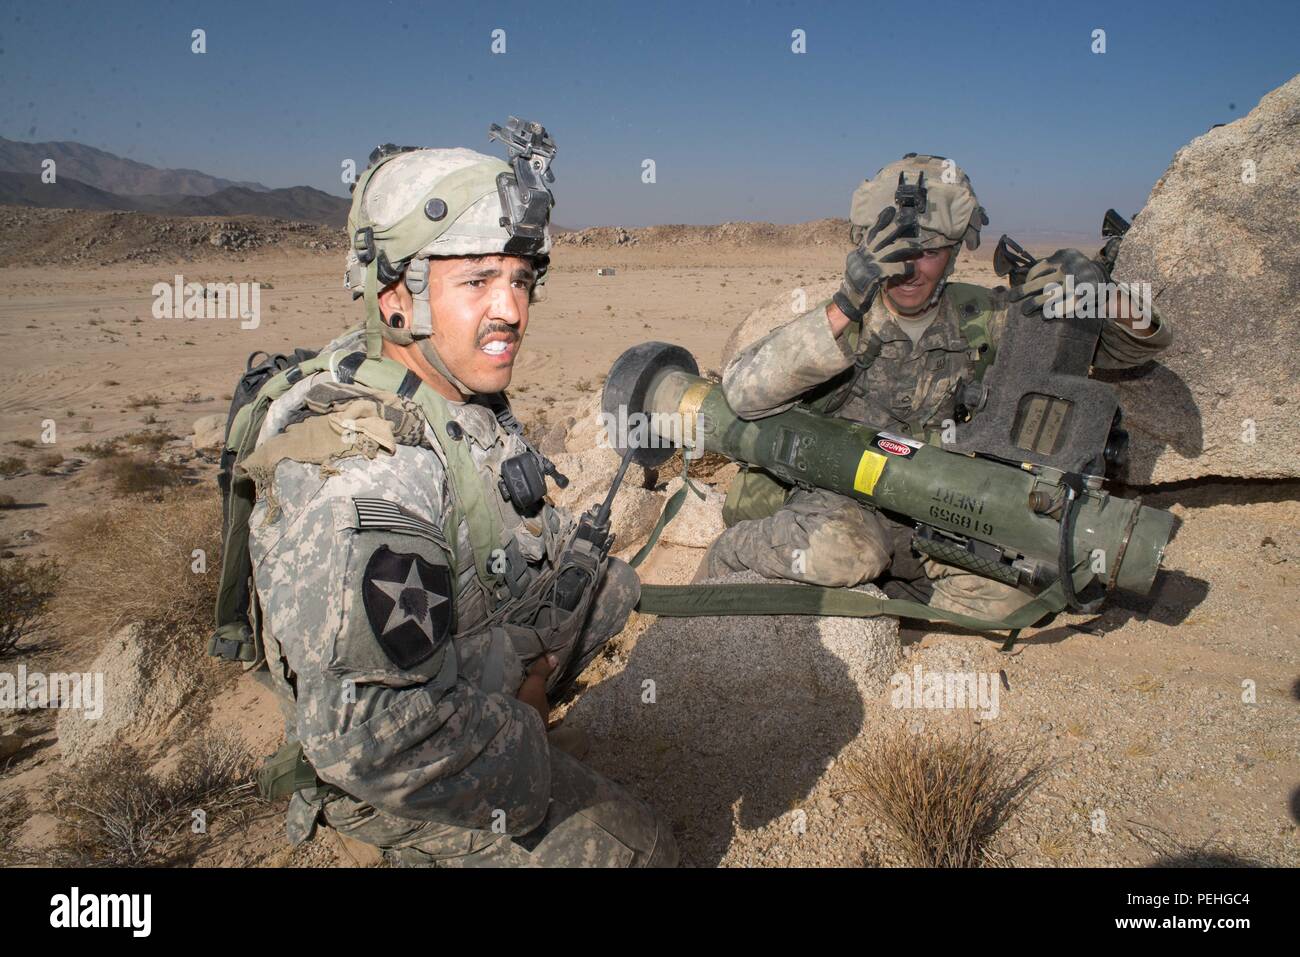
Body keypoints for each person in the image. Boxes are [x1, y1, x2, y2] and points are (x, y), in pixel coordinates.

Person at [237, 122, 676, 866]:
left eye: (520, 279)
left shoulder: (450, 387)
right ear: (395, 300)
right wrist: (524, 734)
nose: (512, 309)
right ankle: (416, 842)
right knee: (638, 851)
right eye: (476, 280)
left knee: (607, 587)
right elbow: (369, 736)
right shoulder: (367, 482)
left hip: (465, 656)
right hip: (385, 771)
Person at [703, 154, 1172, 620]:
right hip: (837, 498)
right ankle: (735, 559)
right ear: (867, 249)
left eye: (929, 251)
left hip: (940, 509)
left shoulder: (986, 316)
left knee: (1007, 602)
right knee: (844, 556)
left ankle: (884, 605)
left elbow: (1126, 349)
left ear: (955, 251)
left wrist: (1099, 294)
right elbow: (743, 392)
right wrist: (845, 304)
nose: (909, 270)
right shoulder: (844, 318)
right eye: (894, 251)